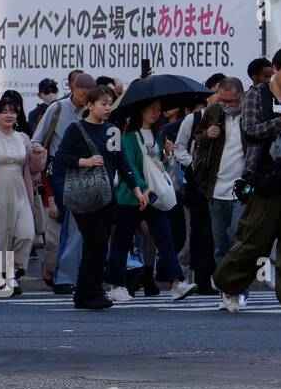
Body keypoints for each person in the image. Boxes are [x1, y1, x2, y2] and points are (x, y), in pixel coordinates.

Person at [214, 47, 281, 315]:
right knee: (253, 241)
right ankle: (230, 286)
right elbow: (250, 132)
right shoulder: (255, 96)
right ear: (277, 68)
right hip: (264, 180)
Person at [53, 85, 148, 310]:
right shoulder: (75, 129)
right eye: (103, 104)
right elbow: (60, 157)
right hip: (84, 194)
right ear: (89, 106)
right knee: (95, 241)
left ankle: (85, 293)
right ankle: (91, 292)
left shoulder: (112, 130)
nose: (107, 108)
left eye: (109, 104)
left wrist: (135, 187)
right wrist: (84, 161)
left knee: (97, 244)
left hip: (107, 194)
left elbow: (122, 162)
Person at [106, 98, 196, 303]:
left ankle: (176, 283)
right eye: (151, 109)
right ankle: (116, 284)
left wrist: (167, 153)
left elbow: (158, 166)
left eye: (158, 110)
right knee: (121, 241)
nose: (156, 113)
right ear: (141, 112)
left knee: (164, 237)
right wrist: (142, 188)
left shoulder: (158, 134)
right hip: (130, 196)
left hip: (153, 196)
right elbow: (129, 167)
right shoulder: (129, 136)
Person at [34, 73, 96, 294]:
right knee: (73, 223)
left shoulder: (92, 111)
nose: (84, 98)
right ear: (73, 89)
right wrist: (38, 152)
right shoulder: (57, 108)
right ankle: (64, 276)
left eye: (89, 95)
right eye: (82, 94)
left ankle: (62, 273)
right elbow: (37, 138)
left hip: (85, 171)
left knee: (75, 226)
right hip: (59, 171)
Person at [0, 101, 45, 296]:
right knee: (0, 235)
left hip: (20, 186)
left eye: (12, 112)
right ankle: (0, 279)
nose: (8, 116)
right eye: (3, 112)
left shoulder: (23, 138)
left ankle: (13, 271)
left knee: (26, 233)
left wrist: (38, 153)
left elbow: (35, 168)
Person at [188, 77, 246, 277]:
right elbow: (196, 138)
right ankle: (226, 286)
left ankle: (239, 286)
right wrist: (206, 135)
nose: (228, 106)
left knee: (238, 237)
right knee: (220, 242)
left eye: (233, 101)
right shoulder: (213, 112)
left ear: (243, 96)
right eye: (224, 101)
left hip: (244, 189)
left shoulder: (251, 114)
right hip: (216, 187)